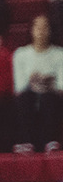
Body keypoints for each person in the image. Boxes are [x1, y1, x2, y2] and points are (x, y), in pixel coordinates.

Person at [16, 14, 63, 152]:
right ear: (31, 30)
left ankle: (50, 141)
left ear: (51, 30)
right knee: (25, 98)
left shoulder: (60, 54)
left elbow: (61, 85)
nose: (41, 31)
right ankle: (26, 141)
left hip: (52, 95)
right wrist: (32, 80)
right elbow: (19, 87)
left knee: (48, 98)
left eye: (45, 27)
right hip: (29, 94)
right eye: (37, 27)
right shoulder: (20, 54)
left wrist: (49, 82)